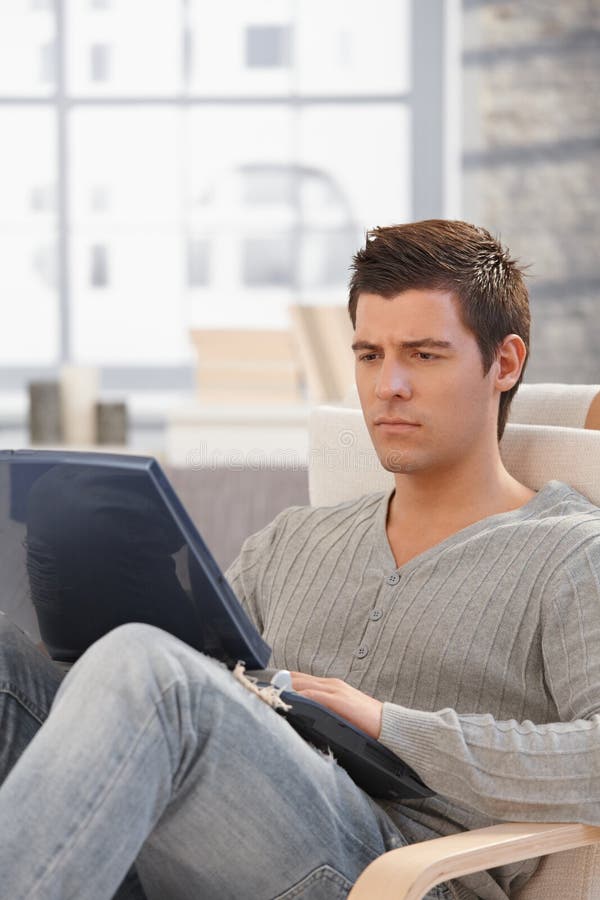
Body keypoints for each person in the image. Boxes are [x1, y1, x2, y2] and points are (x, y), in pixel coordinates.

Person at [1, 219, 599, 900]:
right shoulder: (293, 539)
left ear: (506, 363)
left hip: (397, 873)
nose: (388, 385)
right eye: (369, 355)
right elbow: (192, 691)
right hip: (217, 845)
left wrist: (388, 724)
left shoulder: (571, 552)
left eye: (424, 355)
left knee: (149, 669)